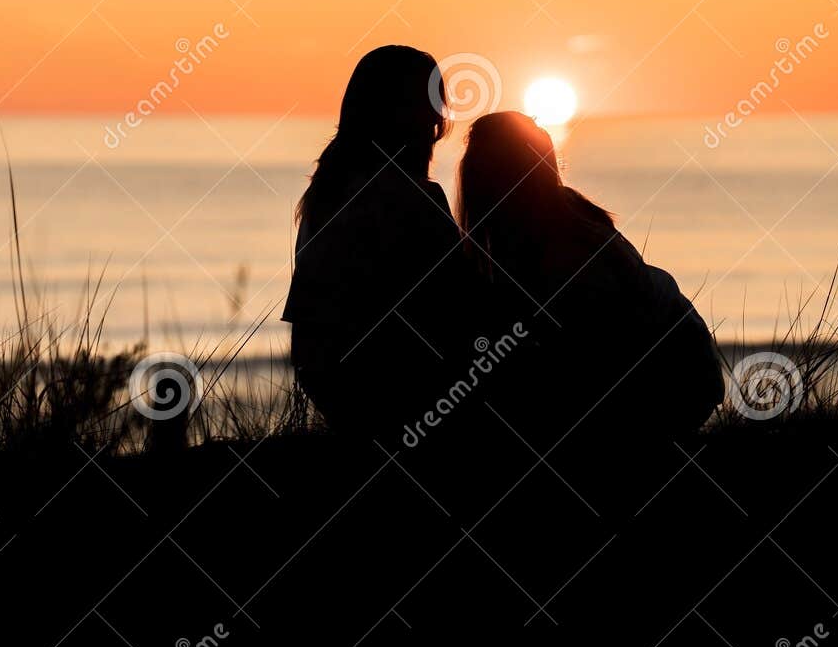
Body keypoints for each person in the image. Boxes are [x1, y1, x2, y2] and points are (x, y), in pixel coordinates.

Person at [456, 111, 722, 439]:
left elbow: (600, 345)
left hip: (676, 378)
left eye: (479, 160)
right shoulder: (545, 219)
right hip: (673, 367)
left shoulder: (562, 240)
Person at [283, 46, 478, 437]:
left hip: (331, 384)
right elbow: (461, 304)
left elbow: (309, 331)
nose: (438, 122)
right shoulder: (411, 197)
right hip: (395, 391)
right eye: (433, 108)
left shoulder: (326, 194)